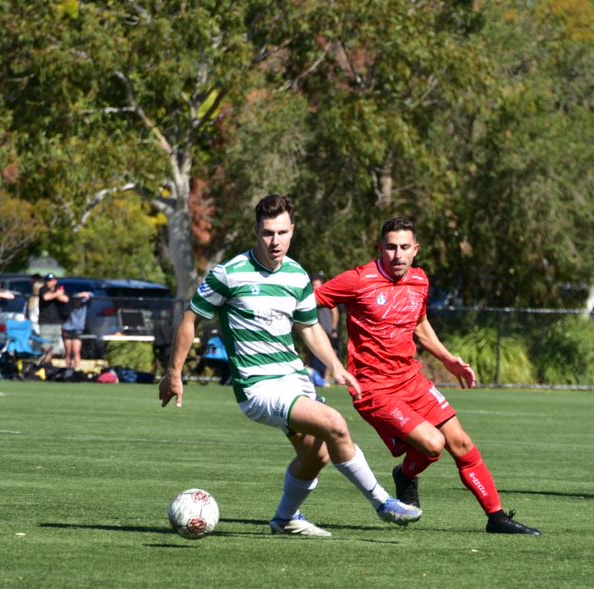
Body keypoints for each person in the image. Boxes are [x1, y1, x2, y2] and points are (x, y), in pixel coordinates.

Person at [158, 194, 422, 537]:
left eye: (282, 232)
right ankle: (383, 503)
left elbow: (310, 327)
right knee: (335, 424)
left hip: (294, 380)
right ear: (256, 231)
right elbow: (191, 317)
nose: (275, 241)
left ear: (292, 231)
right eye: (268, 233)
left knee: (316, 456)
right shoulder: (229, 274)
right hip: (258, 386)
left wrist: (334, 365)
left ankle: (285, 519)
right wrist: (174, 373)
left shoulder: (297, 275)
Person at [315, 218, 541, 536]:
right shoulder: (358, 280)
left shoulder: (420, 281)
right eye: (391, 247)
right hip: (374, 388)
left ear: (415, 250)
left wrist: (449, 360)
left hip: (412, 380)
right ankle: (407, 475)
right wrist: (328, 359)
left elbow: (420, 326)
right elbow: (308, 306)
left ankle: (497, 517)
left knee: (461, 442)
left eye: (405, 247)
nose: (397, 254)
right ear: (380, 248)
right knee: (433, 444)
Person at [306, 273, 340, 386]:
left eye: (317, 285)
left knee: (328, 355)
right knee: (314, 355)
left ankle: (325, 378)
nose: (315, 287)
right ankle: (316, 379)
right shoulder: (310, 298)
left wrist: (334, 329)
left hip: (327, 331)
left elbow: (335, 312)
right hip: (315, 332)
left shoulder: (327, 296)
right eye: (313, 285)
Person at [38, 274, 69, 365]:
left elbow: (65, 299)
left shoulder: (58, 288)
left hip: (57, 322)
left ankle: (47, 364)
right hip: (45, 322)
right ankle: (44, 363)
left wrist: (55, 294)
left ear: (55, 281)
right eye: (48, 280)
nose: (49, 282)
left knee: (54, 346)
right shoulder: (43, 289)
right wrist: (57, 294)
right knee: (45, 346)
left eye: (51, 280)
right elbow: (46, 297)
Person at [62, 290, 92, 371]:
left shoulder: (84, 305)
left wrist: (85, 294)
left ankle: (77, 368)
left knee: (76, 350)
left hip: (78, 330)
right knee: (68, 351)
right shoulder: (70, 305)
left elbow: (91, 295)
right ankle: (68, 368)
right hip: (67, 328)